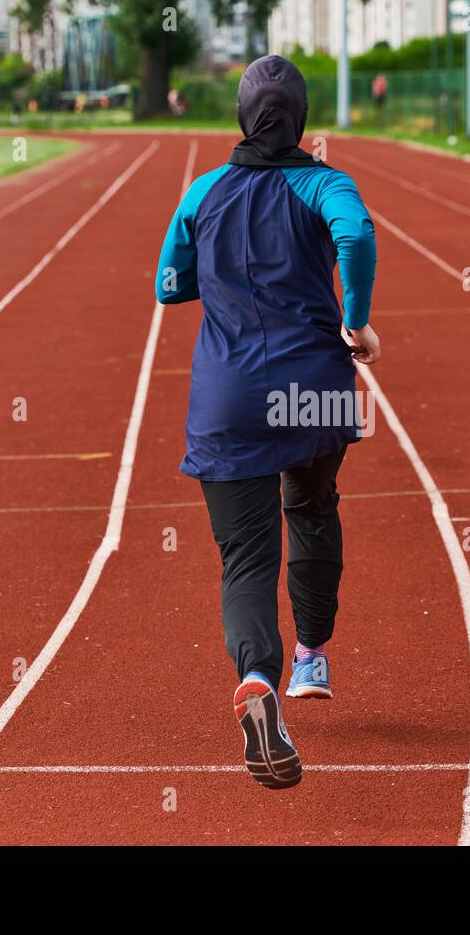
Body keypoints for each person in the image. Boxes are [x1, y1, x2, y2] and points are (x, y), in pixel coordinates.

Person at [154, 55, 379, 789]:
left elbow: (167, 286)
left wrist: (212, 278)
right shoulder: (324, 182)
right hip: (314, 389)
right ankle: (313, 655)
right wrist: (356, 321)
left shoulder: (203, 191)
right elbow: (357, 238)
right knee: (312, 504)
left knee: (246, 560)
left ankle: (258, 678)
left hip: (229, 399)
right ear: (302, 118)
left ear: (242, 116)